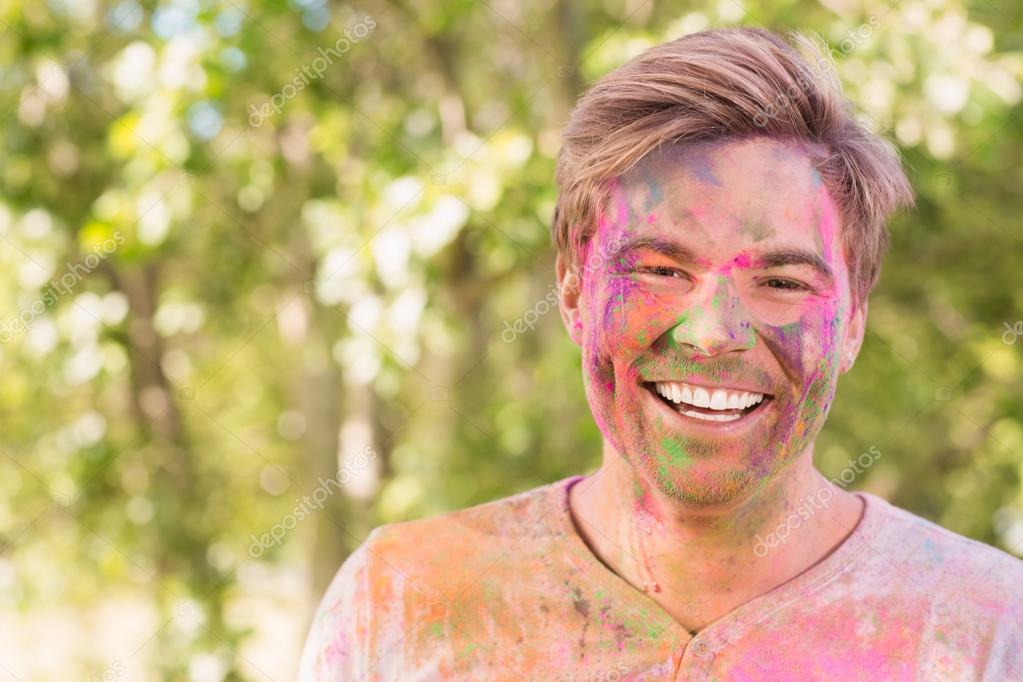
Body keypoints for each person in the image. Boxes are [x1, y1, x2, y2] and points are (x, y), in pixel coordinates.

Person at [298, 27, 1023, 680]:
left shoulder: (988, 628)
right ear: (575, 293)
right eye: (659, 270)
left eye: (780, 281)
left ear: (853, 323)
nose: (710, 333)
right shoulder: (399, 604)